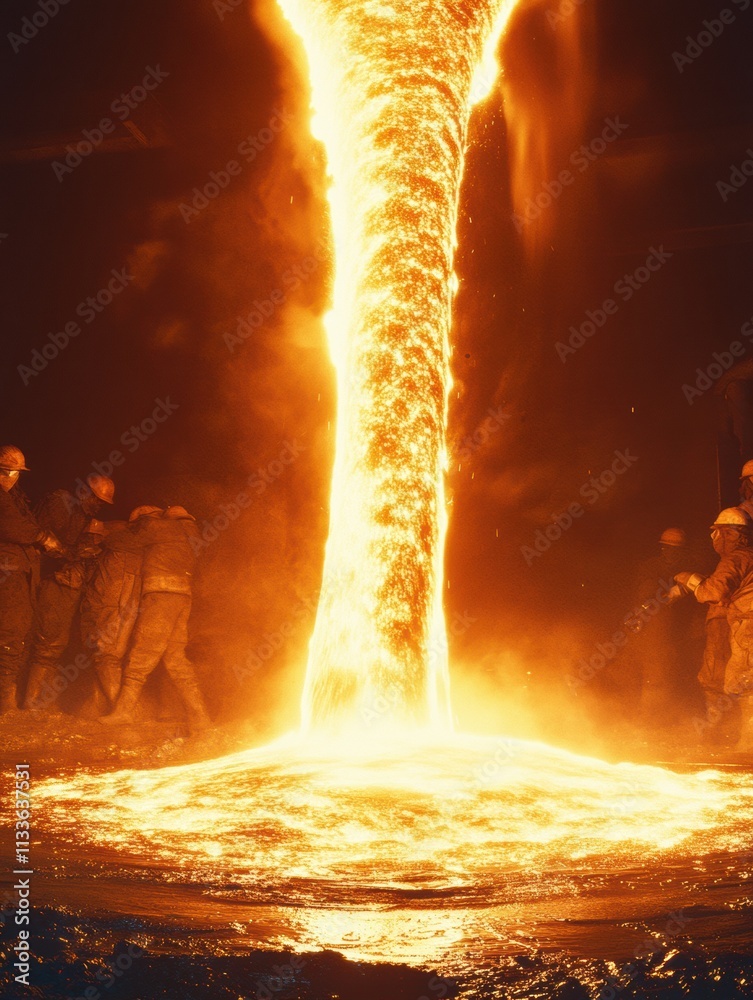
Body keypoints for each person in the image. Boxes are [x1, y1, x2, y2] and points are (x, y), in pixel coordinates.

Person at [101, 506, 211, 732]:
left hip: (161, 596)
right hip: (182, 598)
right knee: (175, 658)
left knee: (141, 654)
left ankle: (123, 711)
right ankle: (201, 717)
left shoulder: (158, 527)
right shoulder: (193, 535)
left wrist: (103, 531)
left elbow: (122, 541)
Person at [23, 474, 115, 713]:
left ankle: (38, 701)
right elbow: (42, 542)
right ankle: (30, 701)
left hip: (61, 582)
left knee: (55, 644)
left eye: (102, 504)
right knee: (46, 643)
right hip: (50, 580)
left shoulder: (82, 515)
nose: (98, 507)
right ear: (85, 491)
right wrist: (75, 553)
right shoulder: (61, 502)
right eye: (97, 501)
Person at [673, 507, 753, 750]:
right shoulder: (747, 556)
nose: (714, 539)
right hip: (744, 620)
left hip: (748, 625)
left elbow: (714, 591)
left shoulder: (737, 557)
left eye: (717, 533)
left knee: (745, 681)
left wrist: (691, 580)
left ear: (728, 534)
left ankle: (748, 745)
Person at [0, 446, 65, 714]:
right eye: (7, 472)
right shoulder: (3, 501)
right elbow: (11, 526)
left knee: (17, 633)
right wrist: (42, 538)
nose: (12, 477)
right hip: (8, 574)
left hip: (19, 576)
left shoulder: (13, 497)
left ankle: (8, 698)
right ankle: (5, 701)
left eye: (15, 473)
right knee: (10, 633)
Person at [79, 507, 155, 715]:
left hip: (114, 603)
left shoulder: (119, 539)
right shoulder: (143, 550)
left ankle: (124, 711)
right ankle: (98, 704)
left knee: (105, 654)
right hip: (126, 604)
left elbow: (106, 595)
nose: (92, 541)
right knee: (106, 655)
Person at [624, 527, 700, 723]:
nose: (670, 552)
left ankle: (659, 716)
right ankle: (639, 715)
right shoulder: (649, 567)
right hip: (650, 627)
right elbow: (640, 595)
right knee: (643, 670)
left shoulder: (690, 569)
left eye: (675, 549)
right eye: (666, 548)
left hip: (678, 629)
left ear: (682, 550)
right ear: (662, 548)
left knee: (667, 672)